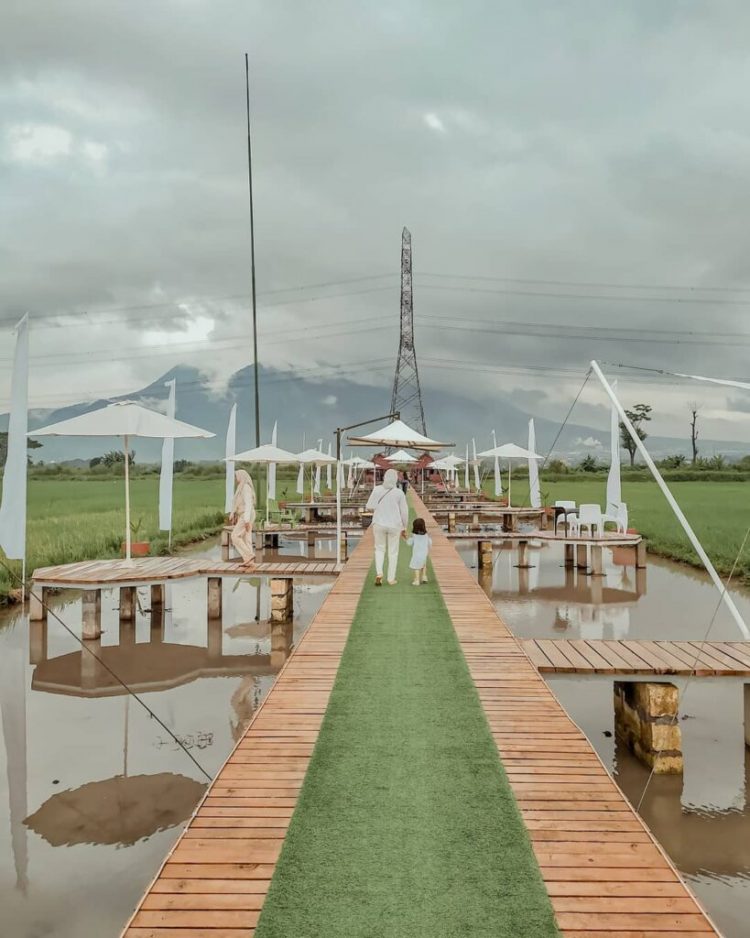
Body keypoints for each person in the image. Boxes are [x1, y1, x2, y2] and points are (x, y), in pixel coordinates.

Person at [366, 467, 408, 586]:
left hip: (379, 523)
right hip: (395, 525)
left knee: (379, 549)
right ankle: (391, 578)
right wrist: (404, 527)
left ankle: (379, 573)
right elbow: (404, 512)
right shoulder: (399, 493)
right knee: (393, 552)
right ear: (395, 479)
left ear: (384, 478)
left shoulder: (377, 489)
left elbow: (369, 505)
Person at [230, 469, 256, 565]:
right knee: (246, 538)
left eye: (236, 476)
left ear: (241, 476)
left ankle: (249, 555)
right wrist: (233, 513)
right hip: (246, 514)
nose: (235, 479)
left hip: (247, 514)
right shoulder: (241, 487)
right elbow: (238, 502)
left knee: (234, 536)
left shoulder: (245, 488)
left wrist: (246, 520)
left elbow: (248, 504)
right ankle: (249, 562)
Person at [407, 517, 432, 586]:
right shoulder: (426, 535)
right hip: (424, 553)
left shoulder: (414, 535)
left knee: (416, 567)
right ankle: (424, 577)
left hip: (416, 555)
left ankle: (417, 580)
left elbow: (409, 543)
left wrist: (405, 537)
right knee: (423, 565)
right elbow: (430, 543)